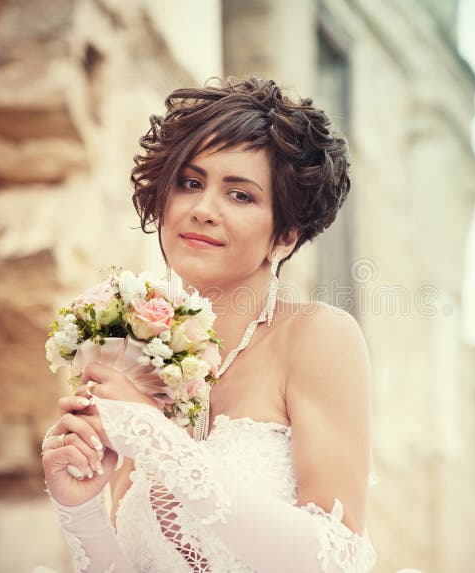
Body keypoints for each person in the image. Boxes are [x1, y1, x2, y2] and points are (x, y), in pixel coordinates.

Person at [39, 75, 377, 572]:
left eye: (240, 195)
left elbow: (336, 558)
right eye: (190, 184)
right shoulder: (140, 363)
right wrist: (81, 510)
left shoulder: (317, 337)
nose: (202, 210)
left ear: (284, 234)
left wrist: (155, 438)